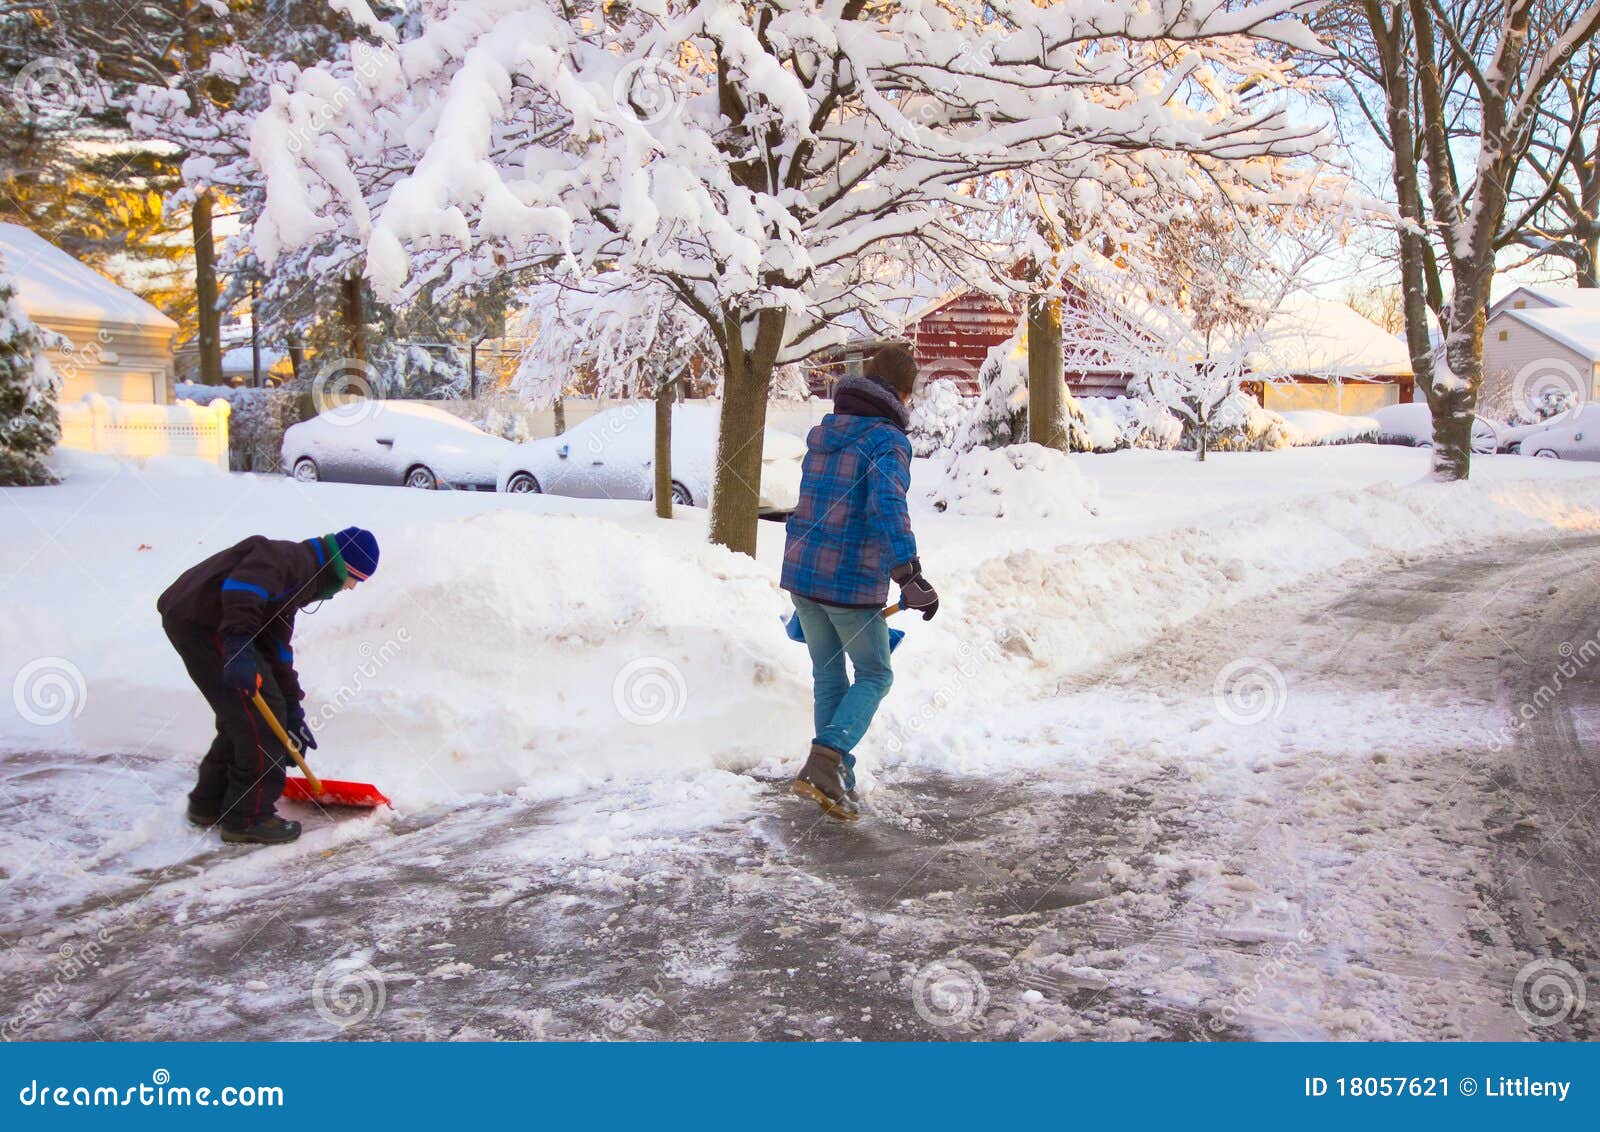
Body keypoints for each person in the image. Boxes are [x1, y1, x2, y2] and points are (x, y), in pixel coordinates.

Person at [781, 344, 939, 821]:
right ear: (904, 393)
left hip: (803, 573)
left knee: (829, 675)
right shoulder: (887, 441)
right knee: (876, 673)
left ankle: (835, 776)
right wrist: (909, 575)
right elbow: (886, 508)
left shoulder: (825, 431)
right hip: (848, 582)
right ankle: (825, 763)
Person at [156, 527, 380, 845]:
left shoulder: (303, 574)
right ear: (345, 567)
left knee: (243, 715)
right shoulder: (291, 560)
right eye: (355, 580)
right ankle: (247, 819)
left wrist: (292, 712)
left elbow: (278, 648)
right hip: (205, 624)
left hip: (201, 621)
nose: (353, 588)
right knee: (259, 721)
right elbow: (242, 588)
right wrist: (238, 649)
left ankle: (208, 804)